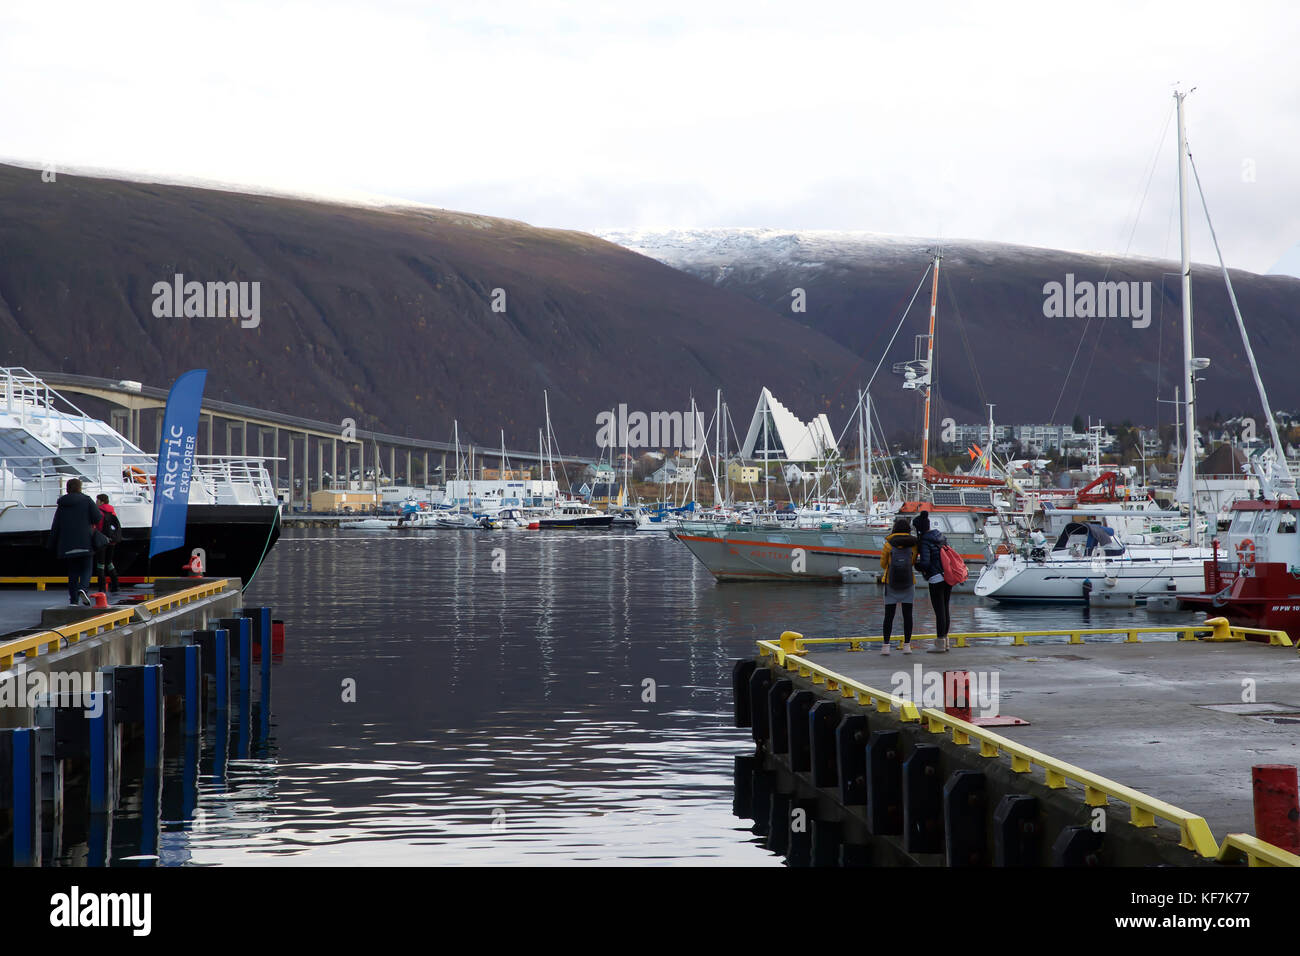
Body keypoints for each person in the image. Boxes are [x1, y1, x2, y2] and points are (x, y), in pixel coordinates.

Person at [48, 478, 101, 605]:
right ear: (80, 487)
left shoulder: (62, 504)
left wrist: (51, 544)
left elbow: (56, 525)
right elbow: (97, 517)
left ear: (67, 488)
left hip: (67, 544)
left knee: (73, 571)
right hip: (85, 542)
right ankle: (83, 588)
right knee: (86, 568)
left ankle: (73, 599)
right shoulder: (86, 500)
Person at [914, 509, 953, 653]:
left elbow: (925, 563)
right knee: (945, 608)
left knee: (939, 611)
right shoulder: (940, 536)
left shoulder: (924, 540)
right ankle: (946, 641)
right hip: (947, 576)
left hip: (936, 578)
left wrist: (915, 565)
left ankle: (940, 644)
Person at [878, 516, 918, 655]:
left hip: (891, 583)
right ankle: (907, 646)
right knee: (908, 615)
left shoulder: (888, 544)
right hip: (908, 582)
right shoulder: (913, 544)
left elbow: (883, 564)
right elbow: (912, 562)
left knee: (889, 616)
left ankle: (886, 647)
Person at [94, 493, 122, 593]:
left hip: (102, 541)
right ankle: (116, 585)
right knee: (109, 563)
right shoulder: (112, 512)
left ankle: (101, 588)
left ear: (101, 502)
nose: (96, 502)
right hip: (112, 541)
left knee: (100, 564)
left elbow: (96, 526)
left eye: (97, 500)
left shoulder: (99, 512)